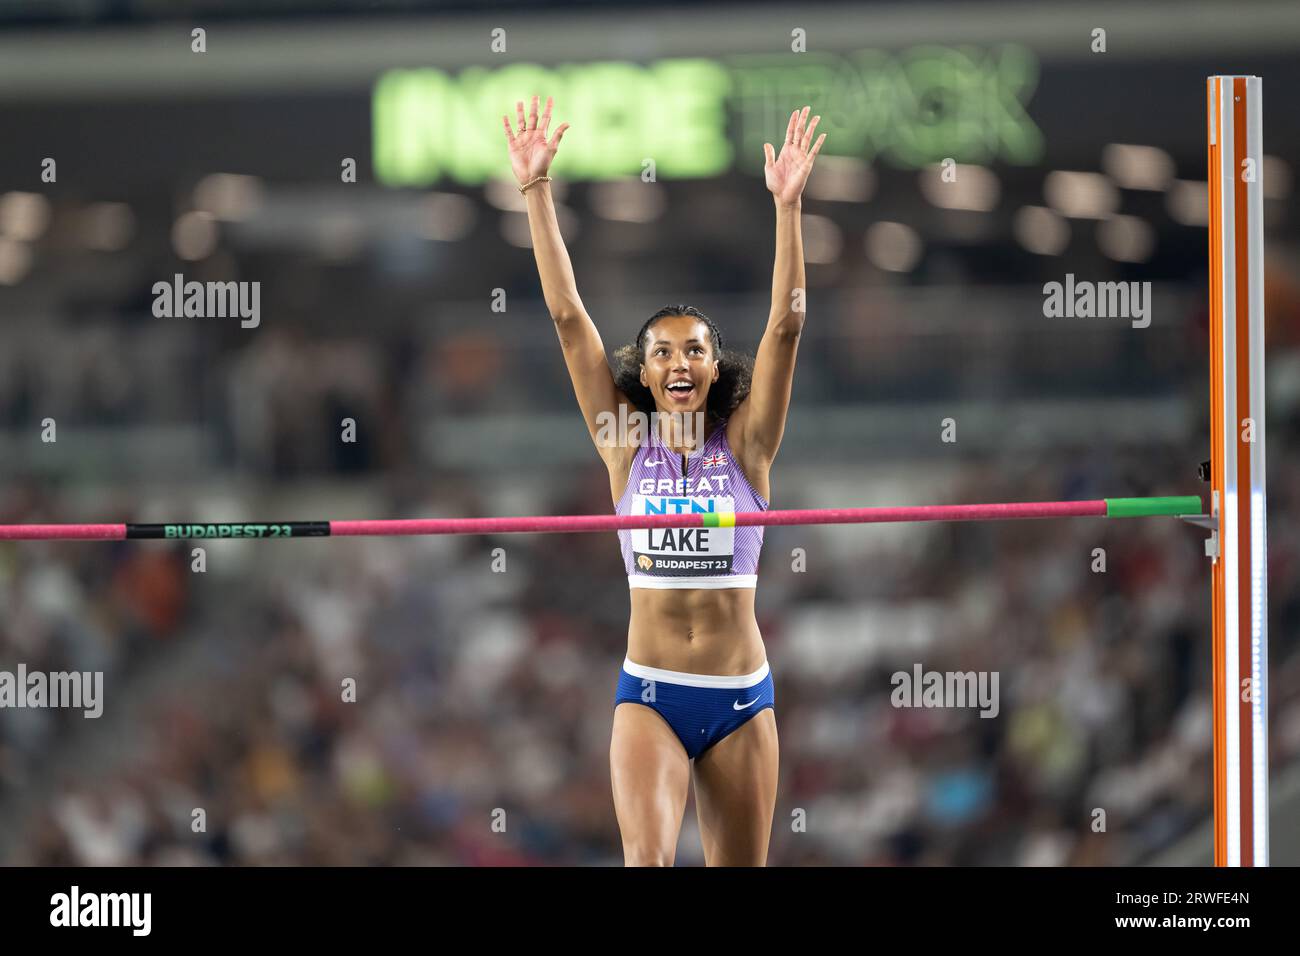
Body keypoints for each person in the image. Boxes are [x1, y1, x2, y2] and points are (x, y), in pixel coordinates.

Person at [502, 95, 824, 865]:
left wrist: (788, 208)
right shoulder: (623, 443)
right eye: (664, 353)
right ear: (643, 372)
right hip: (649, 693)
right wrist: (535, 193)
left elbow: (785, 324)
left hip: (742, 699)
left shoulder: (749, 450)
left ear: (716, 368)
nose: (680, 362)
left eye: (695, 351)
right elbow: (567, 317)